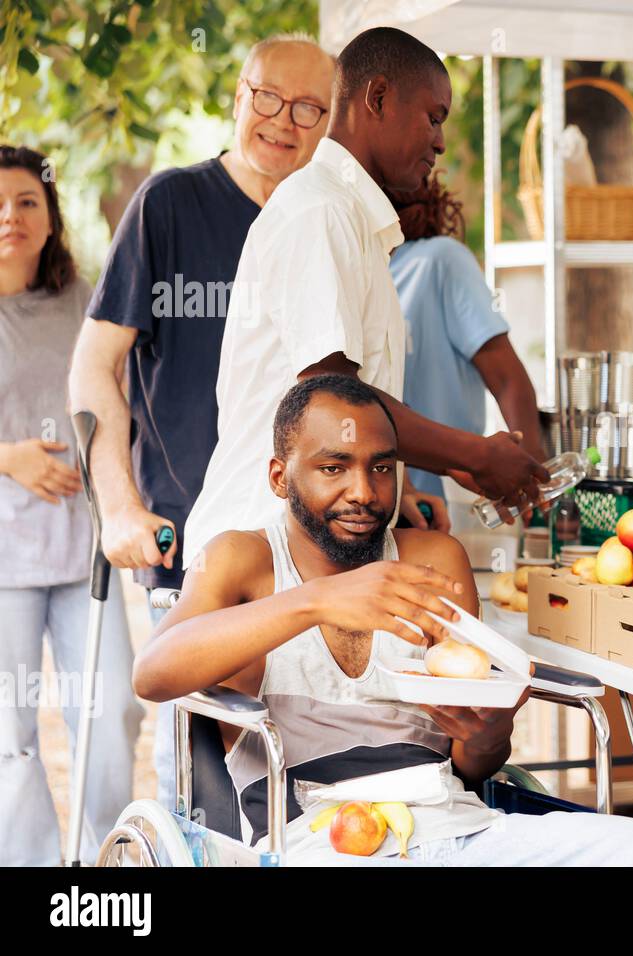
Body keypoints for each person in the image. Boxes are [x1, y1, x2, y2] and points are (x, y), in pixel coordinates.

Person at [134, 375, 633, 866]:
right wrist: (318, 601)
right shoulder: (244, 560)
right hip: (317, 840)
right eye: (334, 467)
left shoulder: (434, 560)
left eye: (381, 468)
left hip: (455, 827)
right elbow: (153, 674)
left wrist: (488, 736)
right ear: (280, 477)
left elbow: (475, 762)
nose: (363, 492)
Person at [68, 34, 337, 803]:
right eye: (267, 98)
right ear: (237, 95)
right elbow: (94, 365)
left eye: (309, 108)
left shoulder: (321, 224)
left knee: (298, 792)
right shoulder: (170, 205)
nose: (283, 121)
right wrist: (117, 505)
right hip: (193, 544)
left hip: (304, 553)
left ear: (331, 123)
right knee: (201, 789)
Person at [182, 26, 549, 572]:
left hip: (306, 555)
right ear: (377, 98)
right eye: (434, 117)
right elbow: (335, 407)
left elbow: (354, 405)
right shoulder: (320, 212)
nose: (441, 142)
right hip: (264, 556)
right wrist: (472, 454)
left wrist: (427, 472)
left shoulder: (351, 219)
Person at [0, 145, 142, 864]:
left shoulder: (84, 302)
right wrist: (8, 457)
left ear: (51, 215)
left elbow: (120, 397)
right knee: (10, 737)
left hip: (87, 549)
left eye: (27, 201)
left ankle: (104, 863)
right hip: (4, 561)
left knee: (112, 708)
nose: (10, 216)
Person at [386, 171, 547, 532]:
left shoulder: (441, 260)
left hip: (441, 512)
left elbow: (508, 379)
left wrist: (534, 481)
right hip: (375, 507)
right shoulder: (356, 267)